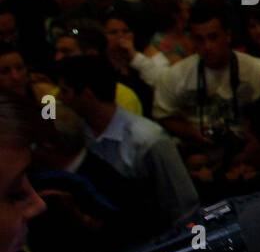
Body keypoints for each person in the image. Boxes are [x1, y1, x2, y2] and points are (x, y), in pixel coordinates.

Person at [55, 54, 199, 227]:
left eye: (65, 91)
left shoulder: (148, 140)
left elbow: (183, 207)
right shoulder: (76, 135)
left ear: (86, 95)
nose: (59, 98)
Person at [153, 0, 260, 153]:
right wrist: (192, 133)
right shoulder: (174, 76)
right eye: (199, 39)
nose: (207, 47)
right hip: (198, 152)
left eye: (213, 37)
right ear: (192, 39)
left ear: (228, 35)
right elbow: (163, 115)